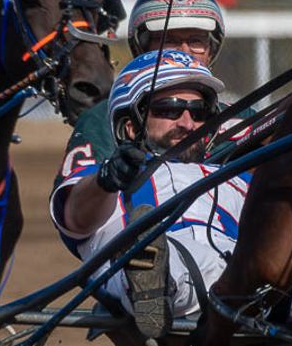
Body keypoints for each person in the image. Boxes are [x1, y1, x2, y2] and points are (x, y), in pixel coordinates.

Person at [52, 49, 246, 323]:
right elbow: (75, 219)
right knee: (167, 258)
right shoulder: (110, 180)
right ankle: (150, 270)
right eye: (170, 110)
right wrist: (107, 180)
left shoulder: (235, 174)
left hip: (260, 276)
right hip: (178, 276)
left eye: (199, 112)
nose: (188, 123)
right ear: (131, 126)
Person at [67, 0, 227, 165]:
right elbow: (79, 193)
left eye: (196, 41)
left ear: (211, 51)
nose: (183, 52)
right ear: (141, 48)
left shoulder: (241, 117)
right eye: (168, 41)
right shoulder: (103, 120)